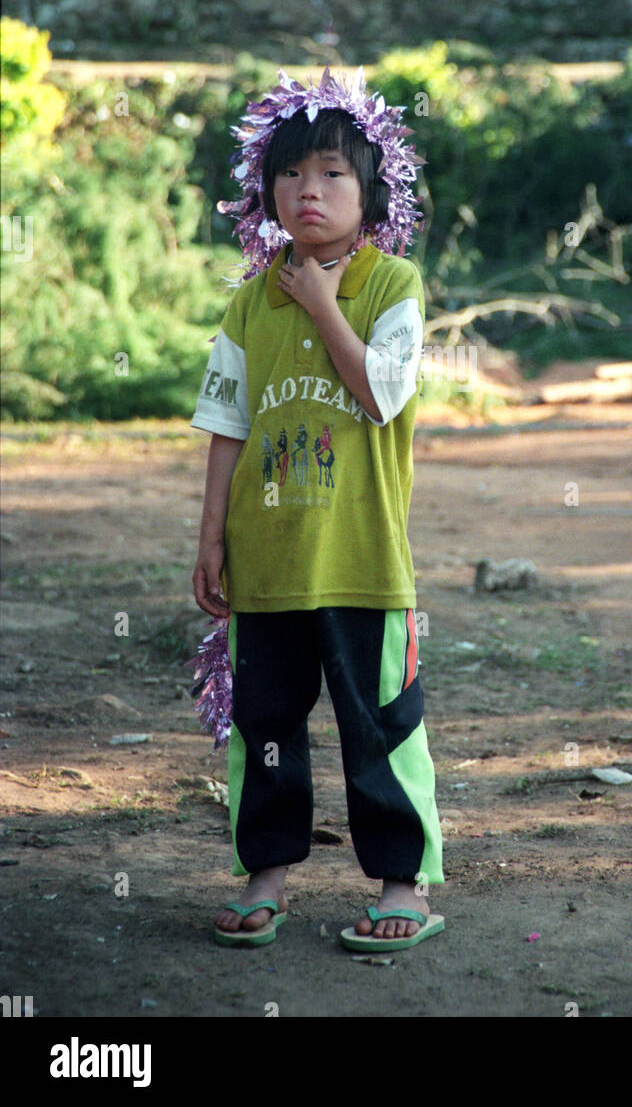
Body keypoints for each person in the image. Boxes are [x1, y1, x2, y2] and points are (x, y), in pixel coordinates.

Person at [190, 68, 444, 951]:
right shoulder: (248, 299)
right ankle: (266, 875)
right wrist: (211, 537)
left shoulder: (393, 285)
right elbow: (225, 422)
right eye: (293, 173)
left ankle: (402, 884)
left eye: (334, 173)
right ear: (267, 187)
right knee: (264, 728)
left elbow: (379, 395)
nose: (310, 190)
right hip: (267, 565)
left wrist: (326, 302)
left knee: (380, 725)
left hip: (363, 562)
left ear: (371, 193)